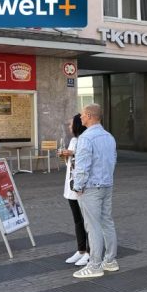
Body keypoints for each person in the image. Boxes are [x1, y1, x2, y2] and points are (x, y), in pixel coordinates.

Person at [71, 104, 118, 279]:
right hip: (107, 184)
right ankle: (110, 261)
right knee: (107, 222)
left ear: (90, 116)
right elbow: (113, 161)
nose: (81, 117)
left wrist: (78, 187)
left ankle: (95, 265)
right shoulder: (109, 137)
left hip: (90, 187)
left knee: (93, 226)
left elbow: (83, 167)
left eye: (83, 114)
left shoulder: (86, 138)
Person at [59, 114, 90, 266]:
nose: (69, 127)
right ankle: (81, 250)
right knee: (77, 220)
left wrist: (72, 153)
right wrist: (65, 155)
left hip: (83, 187)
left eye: (71, 124)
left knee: (88, 221)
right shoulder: (73, 140)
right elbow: (70, 164)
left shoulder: (87, 140)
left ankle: (91, 252)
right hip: (70, 185)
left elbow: (88, 159)